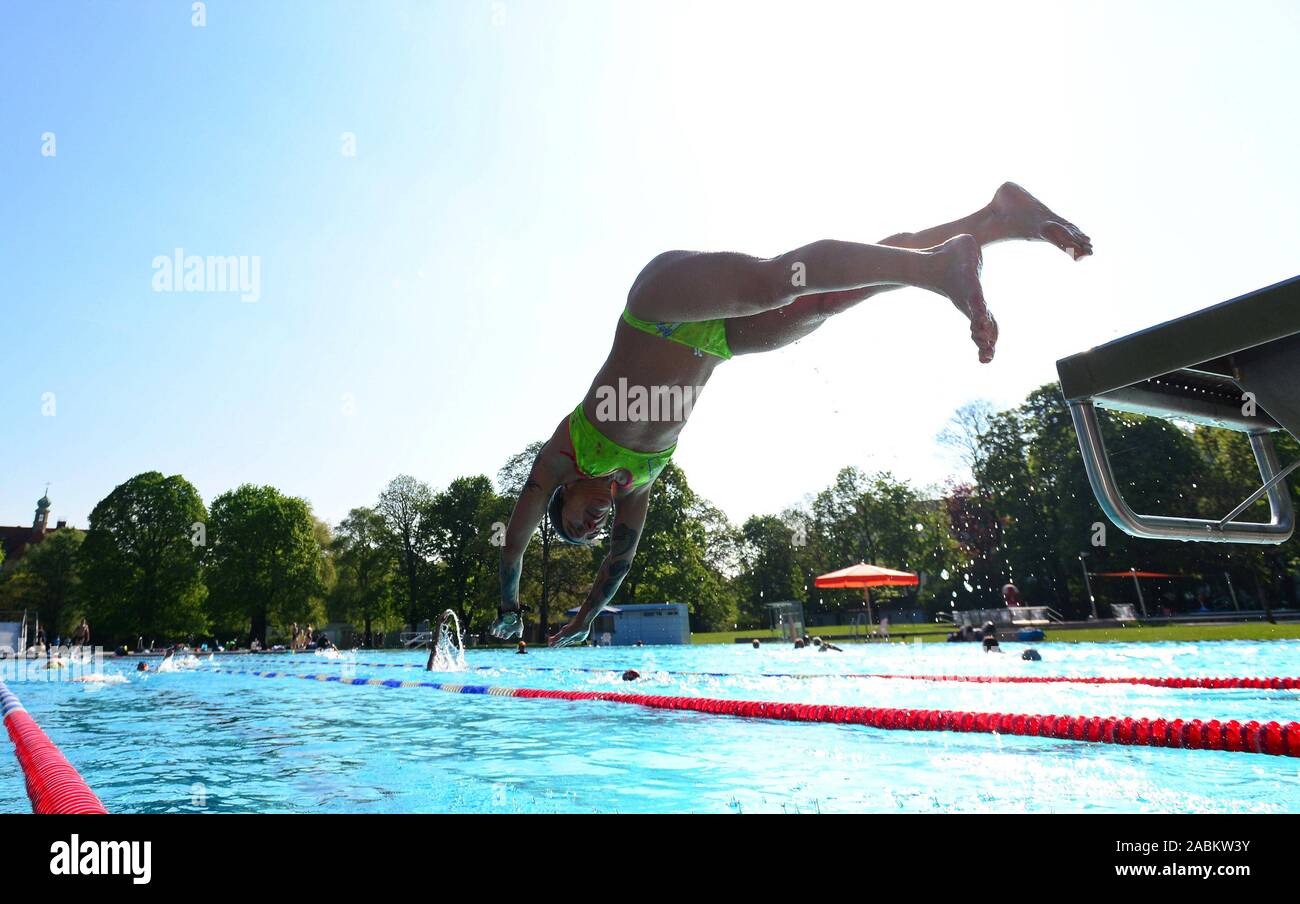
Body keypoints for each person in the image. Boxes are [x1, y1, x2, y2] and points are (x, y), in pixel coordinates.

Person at [489, 184, 1091, 647]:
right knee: (831, 297)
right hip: (718, 339)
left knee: (776, 282)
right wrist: (579, 624)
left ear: (561, 494)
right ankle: (993, 222)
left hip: (660, 306)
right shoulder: (638, 484)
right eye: (587, 534)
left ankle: (941, 269)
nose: (590, 526)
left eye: (571, 522)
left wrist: (509, 610)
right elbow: (616, 568)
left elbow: (514, 541)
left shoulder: (567, 450)